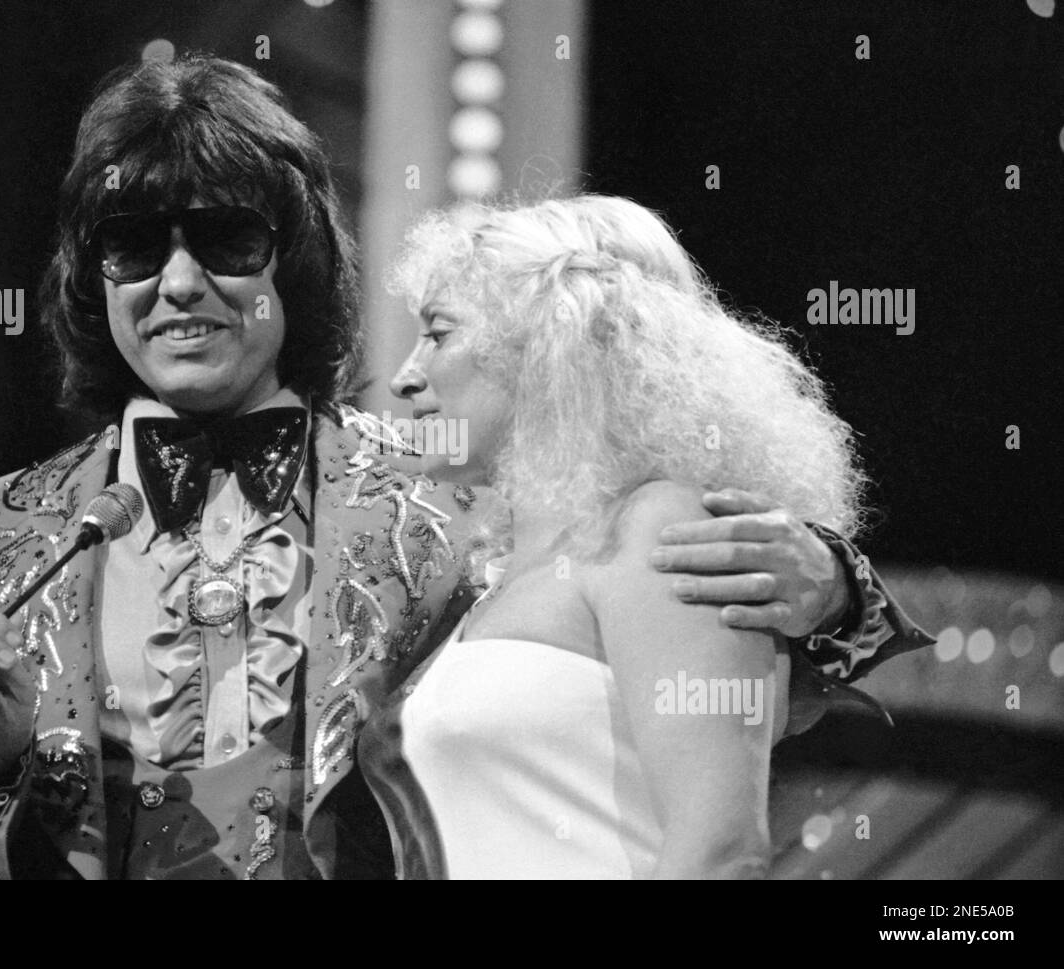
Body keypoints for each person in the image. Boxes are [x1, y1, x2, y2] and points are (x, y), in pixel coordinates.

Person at [0, 55, 926, 881]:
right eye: (132, 246)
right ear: (93, 277)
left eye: (224, 240)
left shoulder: (461, 501)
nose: (177, 283)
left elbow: (689, 634)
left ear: (294, 261)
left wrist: (830, 585)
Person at [361, 194, 929, 878]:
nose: (404, 376)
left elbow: (721, 854)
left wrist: (841, 592)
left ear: (552, 338)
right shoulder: (502, 574)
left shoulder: (657, 529)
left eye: (439, 332)